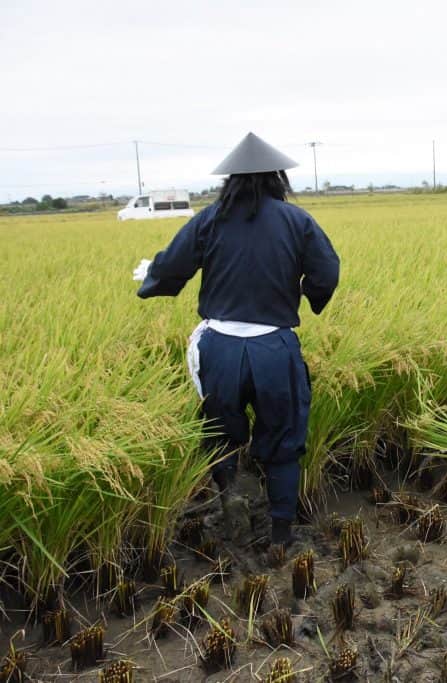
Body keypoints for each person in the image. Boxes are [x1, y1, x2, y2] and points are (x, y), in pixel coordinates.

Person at [132, 132, 341, 548]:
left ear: (230, 179)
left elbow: (173, 264)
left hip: (220, 349)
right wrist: (306, 294)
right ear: (278, 178)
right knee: (283, 440)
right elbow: (326, 272)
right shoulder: (297, 221)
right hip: (273, 348)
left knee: (220, 431)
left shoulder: (211, 218)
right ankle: (281, 534)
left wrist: (154, 279)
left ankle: (230, 502)